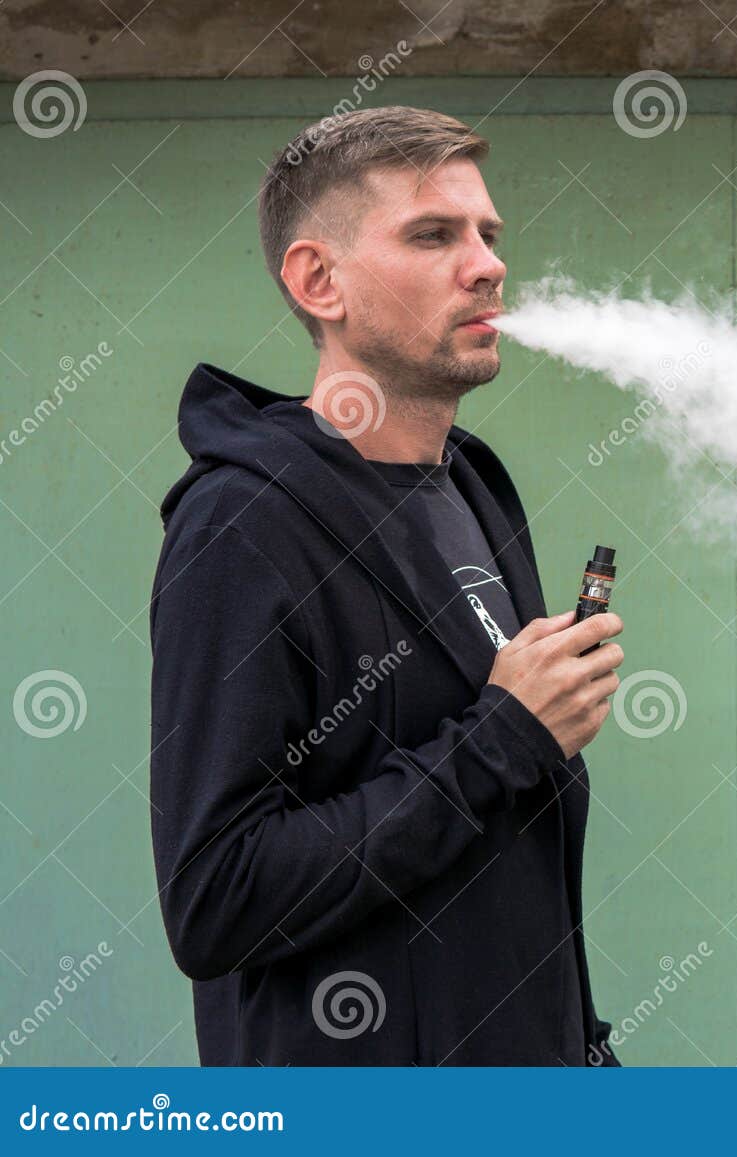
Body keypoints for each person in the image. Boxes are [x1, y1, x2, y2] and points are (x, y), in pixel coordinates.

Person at [147, 106, 625, 1066]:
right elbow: (215, 900)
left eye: (489, 234)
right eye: (433, 234)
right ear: (320, 280)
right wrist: (503, 737)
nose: (487, 263)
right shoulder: (245, 525)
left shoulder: (474, 485)